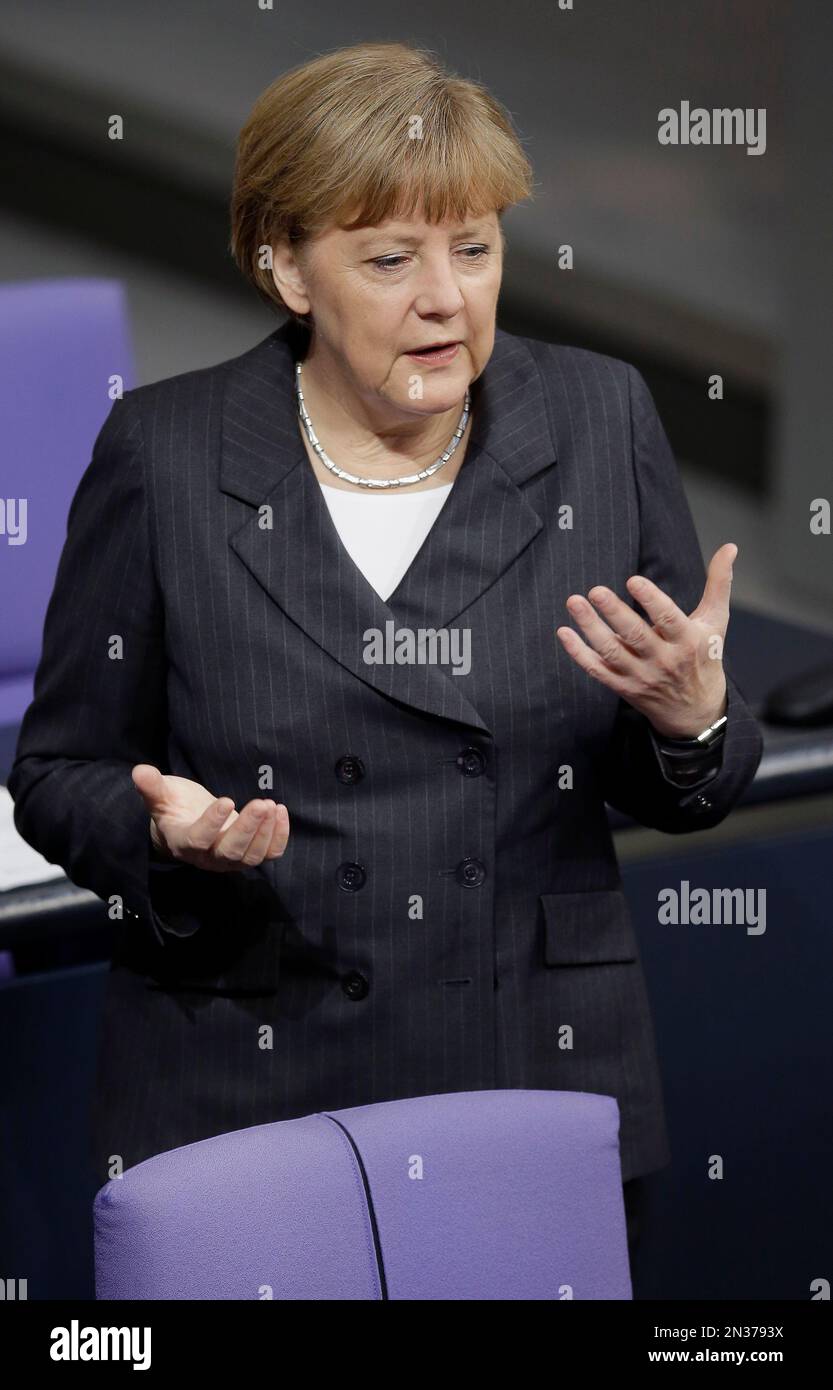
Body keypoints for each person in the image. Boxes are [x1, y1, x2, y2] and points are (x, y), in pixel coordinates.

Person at [9, 42, 763, 1263]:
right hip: (251, 1080)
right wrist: (170, 836)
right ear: (284, 268)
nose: (445, 298)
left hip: (526, 1074)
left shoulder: (596, 418)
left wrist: (692, 723)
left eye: (473, 249)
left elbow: (674, 778)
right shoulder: (165, 454)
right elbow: (58, 771)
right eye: (389, 259)